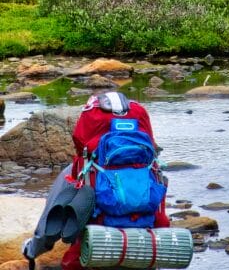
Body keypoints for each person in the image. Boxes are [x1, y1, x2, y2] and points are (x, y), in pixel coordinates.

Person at [22, 92, 169, 270]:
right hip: (142, 255)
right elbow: (161, 221)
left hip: (95, 255)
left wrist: (31, 250)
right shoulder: (151, 170)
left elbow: (50, 228)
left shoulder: (78, 171)